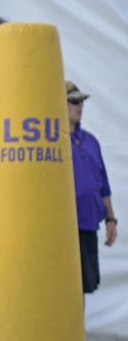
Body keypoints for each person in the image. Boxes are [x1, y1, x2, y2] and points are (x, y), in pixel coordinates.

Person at [67, 80, 117, 294]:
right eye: (74, 101)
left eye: (82, 101)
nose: (80, 106)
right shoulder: (52, 142)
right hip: (63, 229)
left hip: (87, 226)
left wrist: (110, 219)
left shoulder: (91, 142)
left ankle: (75, 329)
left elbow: (103, 185)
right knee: (63, 286)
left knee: (83, 287)